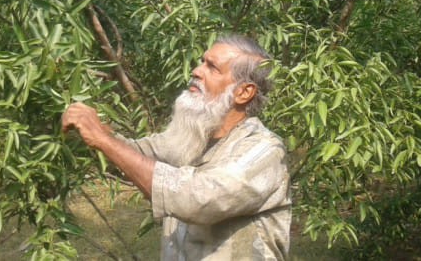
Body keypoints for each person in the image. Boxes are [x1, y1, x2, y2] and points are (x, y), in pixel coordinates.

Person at [61, 34, 291, 260]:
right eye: (202, 62)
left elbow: (197, 199)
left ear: (243, 92)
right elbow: (131, 152)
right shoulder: (193, 137)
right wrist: (82, 123)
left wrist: (102, 139)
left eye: (212, 68)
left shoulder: (265, 151)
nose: (196, 71)